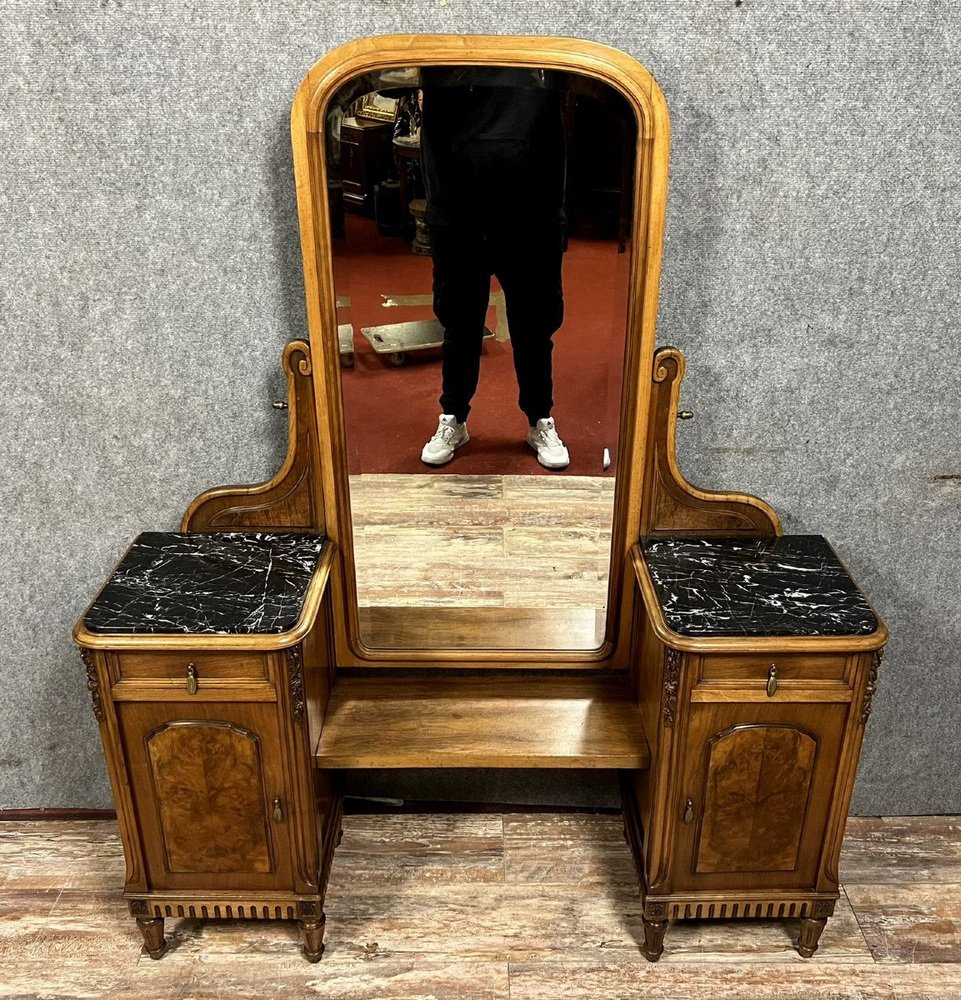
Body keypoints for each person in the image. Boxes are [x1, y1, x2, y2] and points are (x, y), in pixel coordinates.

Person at [418, 68, 570, 469]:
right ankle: (454, 416)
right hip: (456, 201)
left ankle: (540, 418)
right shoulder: (439, 45)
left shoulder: (537, 45)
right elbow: (389, 73)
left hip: (531, 204)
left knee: (534, 324)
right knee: (459, 321)